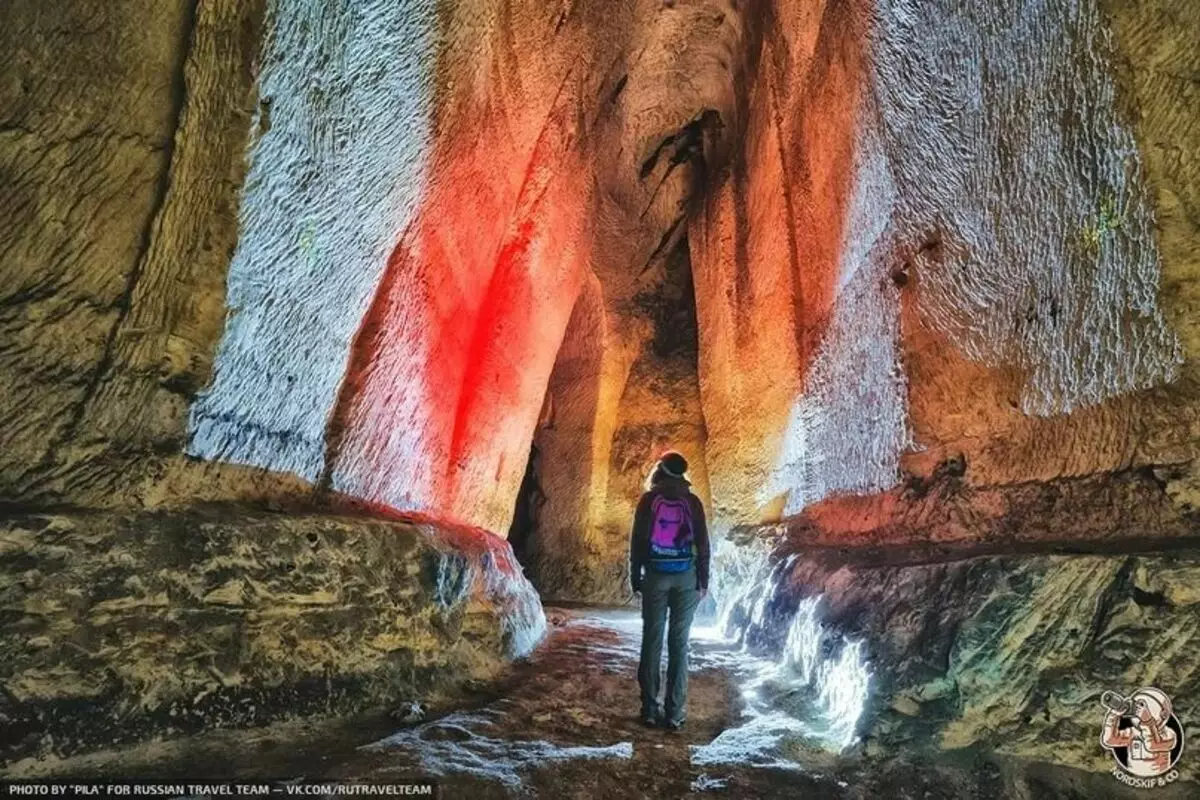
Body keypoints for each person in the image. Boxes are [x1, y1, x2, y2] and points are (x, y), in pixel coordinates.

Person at [629, 451, 710, 731]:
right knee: (679, 643)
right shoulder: (692, 501)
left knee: (651, 640)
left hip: (655, 574)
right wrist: (703, 580)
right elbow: (703, 543)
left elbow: (638, 540)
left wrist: (635, 575)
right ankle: (674, 713)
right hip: (686, 576)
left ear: (660, 471)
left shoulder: (650, 500)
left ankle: (650, 709)